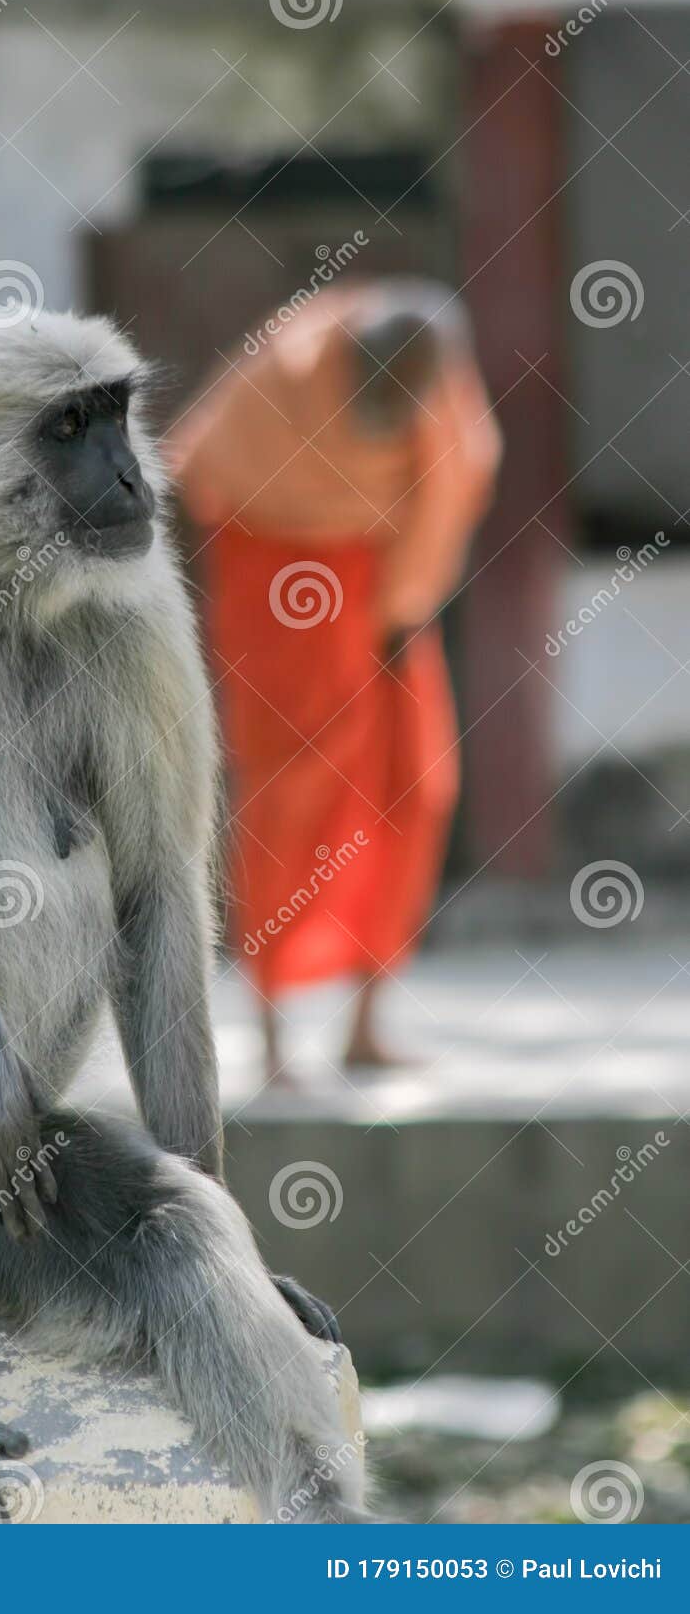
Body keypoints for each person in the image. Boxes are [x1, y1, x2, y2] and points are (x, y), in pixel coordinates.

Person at [169, 279, 502, 1081]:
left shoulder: (438, 373)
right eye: (381, 387)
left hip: (388, 596)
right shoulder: (286, 367)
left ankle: (364, 1024)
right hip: (281, 597)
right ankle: (274, 1038)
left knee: (411, 789)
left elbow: (455, 476)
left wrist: (396, 606)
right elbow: (202, 470)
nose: (395, 406)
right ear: (355, 361)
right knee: (291, 797)